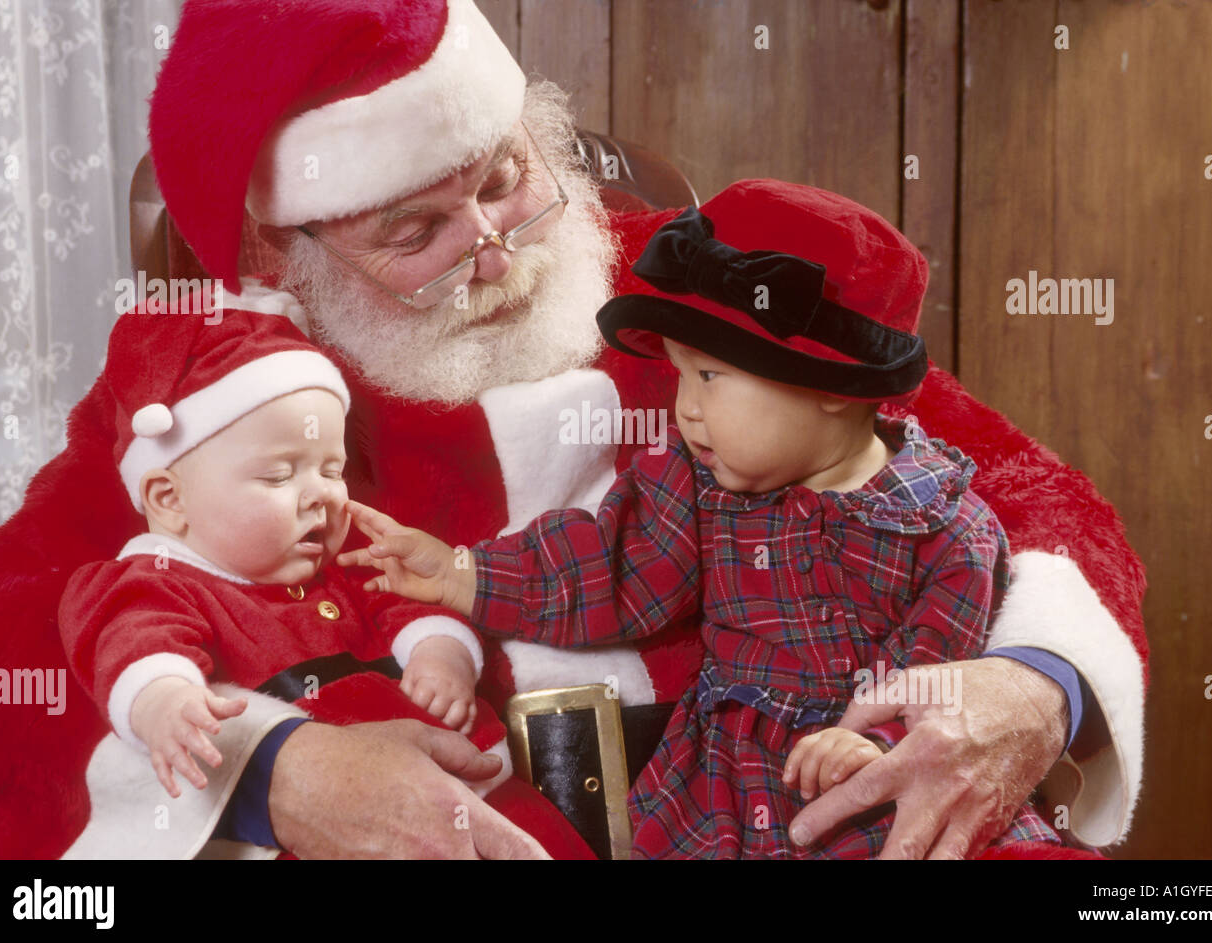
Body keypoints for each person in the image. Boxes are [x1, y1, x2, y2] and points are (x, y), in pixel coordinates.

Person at [0, 0, 1145, 859]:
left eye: (503, 175)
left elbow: (1028, 490)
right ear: (291, 256)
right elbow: (0, 666)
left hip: (783, 791)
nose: (493, 248)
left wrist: (1029, 683)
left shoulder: (697, 290)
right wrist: (272, 773)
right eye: (412, 231)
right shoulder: (220, 383)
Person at [337, 182, 1064, 858]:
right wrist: (464, 572)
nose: (685, 406)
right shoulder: (699, 487)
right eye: (681, 374)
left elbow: (937, 676)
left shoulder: (947, 526)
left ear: (834, 388)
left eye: (710, 376)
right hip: (722, 782)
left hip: (866, 783)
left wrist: (878, 739)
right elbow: (614, 565)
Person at [53, 308, 589, 858]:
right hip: (328, 824)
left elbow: (407, 602)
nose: (323, 495)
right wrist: (164, 701)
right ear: (170, 500)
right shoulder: (155, 580)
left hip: (477, 783)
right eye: (280, 475)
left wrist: (440, 654)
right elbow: (134, 643)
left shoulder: (344, 565)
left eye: (331, 470)